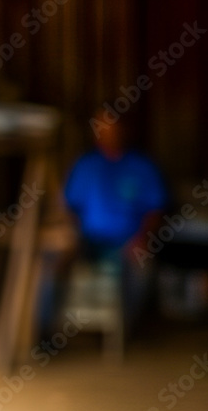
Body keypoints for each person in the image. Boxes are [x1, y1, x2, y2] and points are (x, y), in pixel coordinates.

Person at [61, 112, 167, 329]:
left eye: (113, 128)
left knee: (141, 267)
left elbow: (156, 210)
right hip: (89, 241)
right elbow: (70, 207)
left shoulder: (142, 166)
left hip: (129, 241)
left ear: (124, 130)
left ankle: (124, 327)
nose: (107, 134)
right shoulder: (85, 165)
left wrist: (142, 238)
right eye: (102, 128)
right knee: (53, 263)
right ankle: (58, 329)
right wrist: (72, 236)